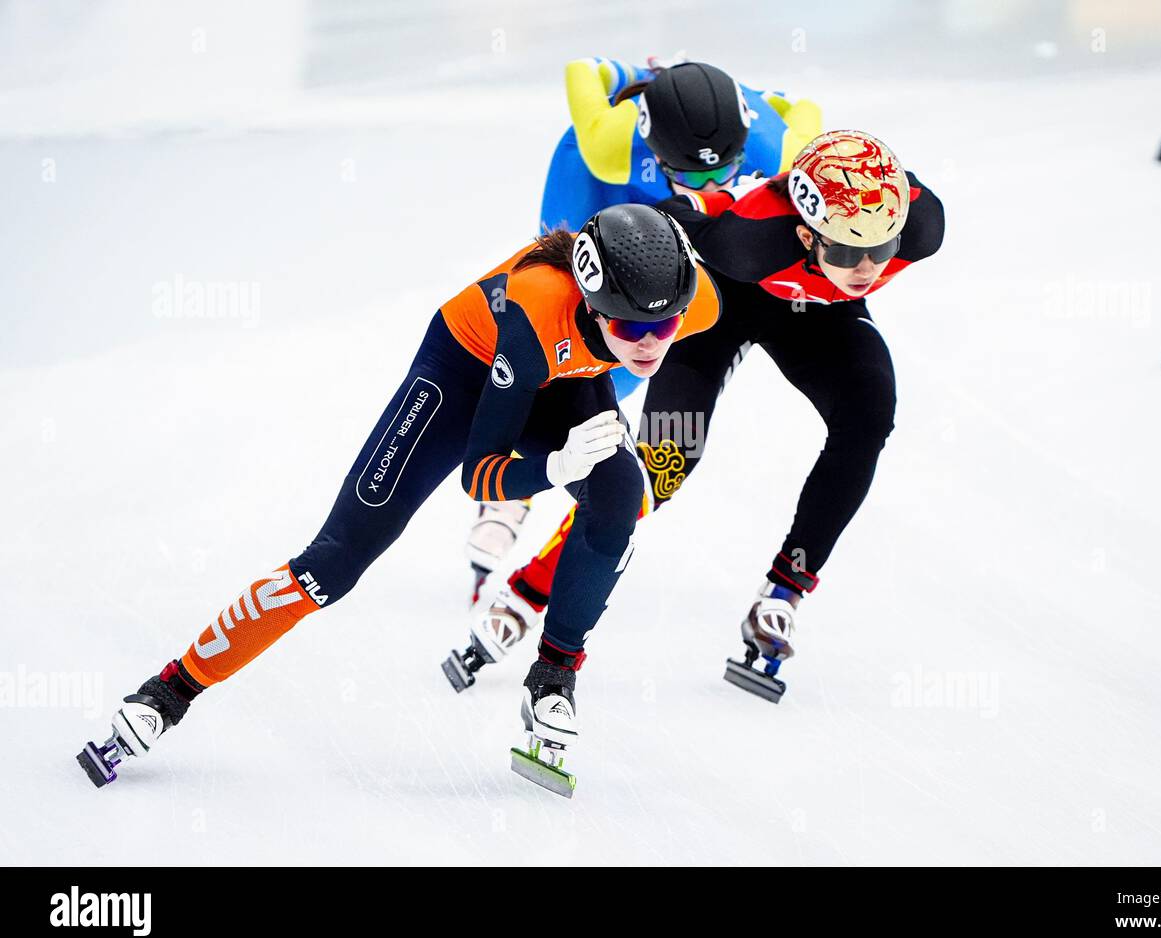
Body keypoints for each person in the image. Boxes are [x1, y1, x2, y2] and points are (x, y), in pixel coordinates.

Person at [78, 204, 721, 795]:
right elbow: (481, 474)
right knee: (333, 564)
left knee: (619, 495)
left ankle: (554, 674)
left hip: (563, 374)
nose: (652, 343)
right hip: (468, 368)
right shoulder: (533, 307)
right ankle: (170, 690)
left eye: (665, 324)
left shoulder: (689, 301)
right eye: (632, 325)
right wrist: (553, 466)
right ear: (590, 299)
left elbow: (744, 250)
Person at [454, 130, 945, 702]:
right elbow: (661, 224)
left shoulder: (920, 224)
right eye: (842, 252)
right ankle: (529, 593)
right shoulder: (749, 237)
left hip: (822, 319)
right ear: (806, 232)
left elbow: (872, 232)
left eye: (880, 251)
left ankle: (784, 592)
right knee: (659, 468)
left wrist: (849, 258)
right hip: (722, 307)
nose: (863, 268)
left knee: (869, 416)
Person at [464, 54, 821, 604]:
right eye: (692, 173)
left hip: (678, 196)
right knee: (566, 316)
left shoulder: (774, 148)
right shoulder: (609, 144)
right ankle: (512, 475)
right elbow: (580, 70)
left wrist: (759, 95)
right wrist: (629, 74)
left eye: (722, 170)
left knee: (641, 345)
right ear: (656, 149)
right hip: (600, 183)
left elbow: (806, 110)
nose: (708, 182)